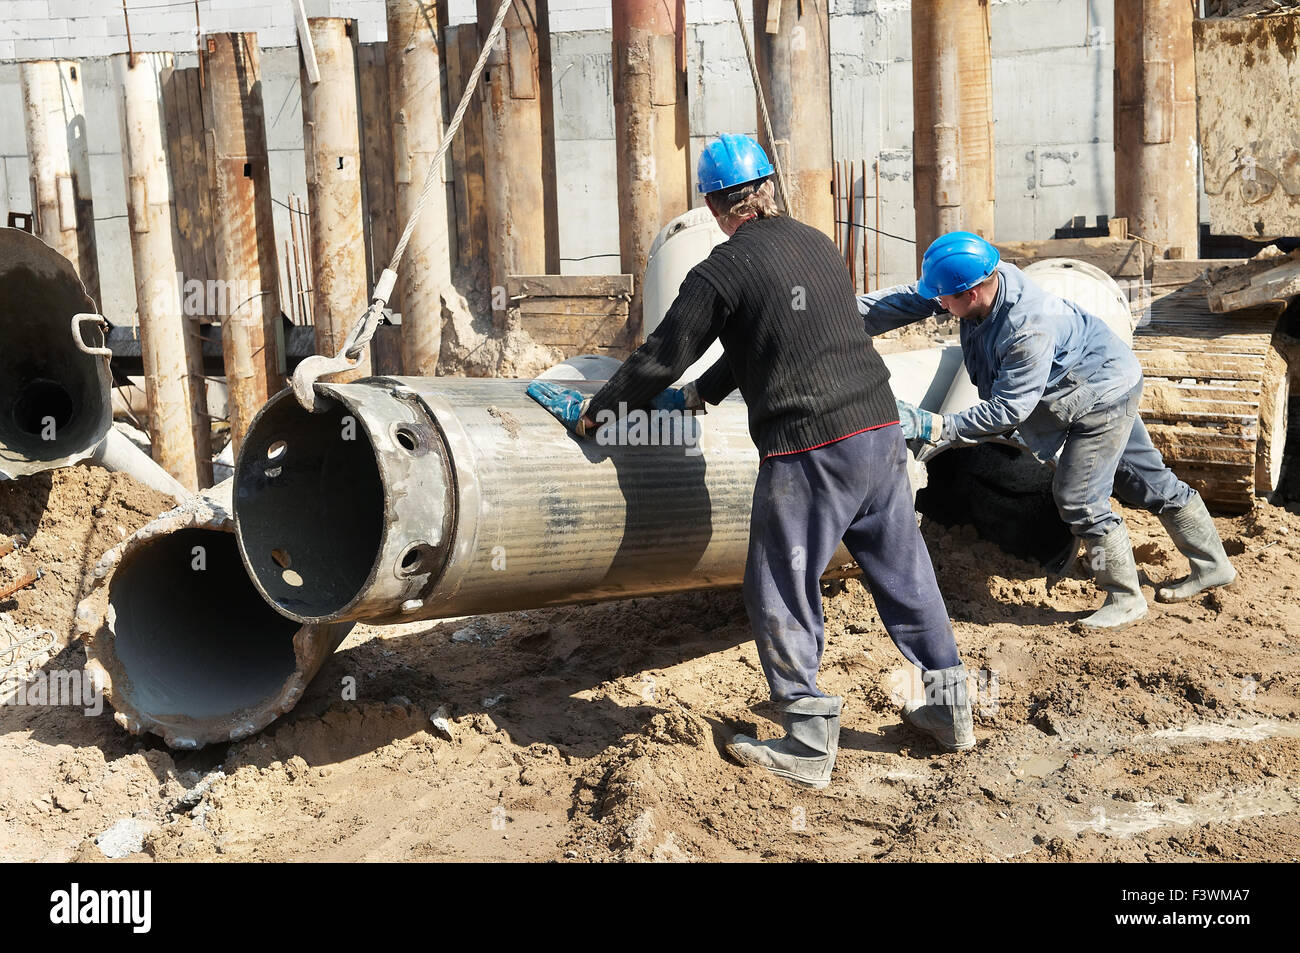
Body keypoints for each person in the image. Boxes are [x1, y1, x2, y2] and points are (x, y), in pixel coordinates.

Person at [527, 134, 975, 789]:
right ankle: (950, 707)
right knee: (906, 578)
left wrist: (599, 410)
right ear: (768, 187)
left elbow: (660, 354)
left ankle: (807, 736)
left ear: (714, 203)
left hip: (810, 448)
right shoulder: (817, 244)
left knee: (778, 585)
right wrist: (703, 395)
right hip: (880, 430)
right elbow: (773, 336)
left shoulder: (721, 270)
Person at [859, 231, 1237, 629]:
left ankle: (1125, 597)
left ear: (970, 295)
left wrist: (938, 423)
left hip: (1098, 397)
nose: (937, 304)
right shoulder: (979, 279)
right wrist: (836, 314)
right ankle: (1214, 566)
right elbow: (911, 299)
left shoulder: (1026, 329)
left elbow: (1009, 410)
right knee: (1144, 479)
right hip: (1102, 373)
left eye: (944, 299)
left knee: (1079, 499)